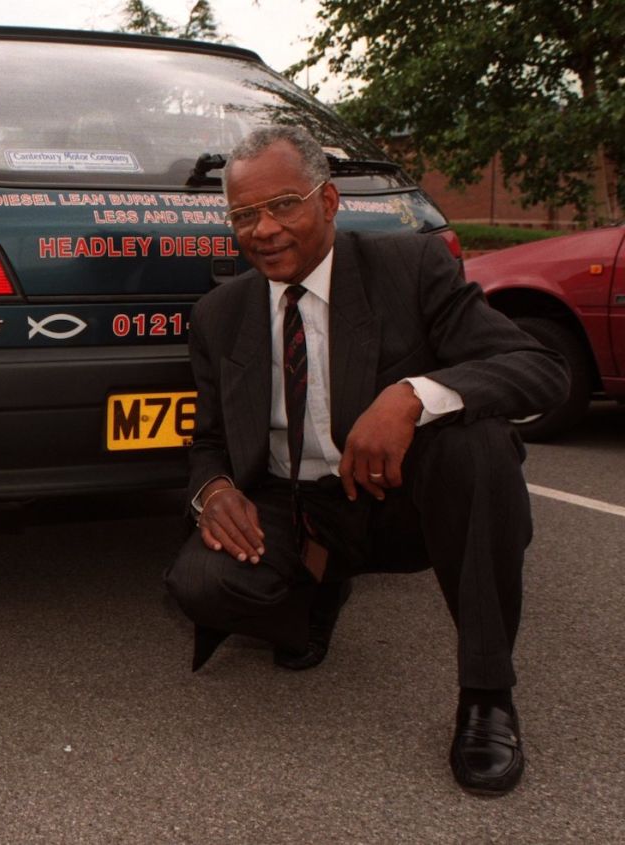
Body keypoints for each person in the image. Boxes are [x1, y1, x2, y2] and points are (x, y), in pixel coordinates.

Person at [164, 126, 569, 795]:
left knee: (479, 446)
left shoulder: (410, 270)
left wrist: (413, 396)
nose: (263, 230)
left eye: (283, 205)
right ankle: (314, 595)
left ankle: (487, 695)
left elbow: (539, 366)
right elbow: (207, 439)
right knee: (198, 584)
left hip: (397, 499)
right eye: (243, 215)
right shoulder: (218, 314)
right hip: (294, 503)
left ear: (328, 202)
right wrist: (213, 492)